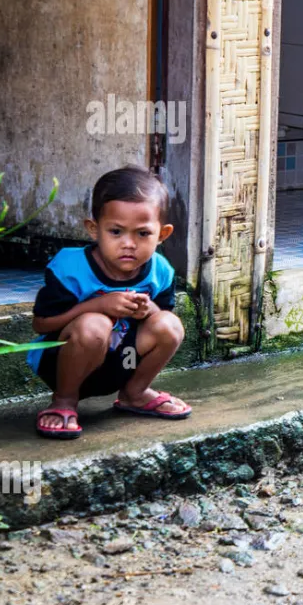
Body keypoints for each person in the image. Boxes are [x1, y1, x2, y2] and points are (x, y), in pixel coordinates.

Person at [30, 166, 190, 438]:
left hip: (121, 363)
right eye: (116, 231)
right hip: (64, 362)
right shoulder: (71, 267)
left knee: (170, 325)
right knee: (94, 325)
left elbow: (161, 317)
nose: (129, 244)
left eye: (142, 234)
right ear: (94, 229)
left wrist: (148, 310)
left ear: (162, 234)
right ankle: (64, 401)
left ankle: (135, 393)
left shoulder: (160, 270)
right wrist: (98, 306)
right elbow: (41, 325)